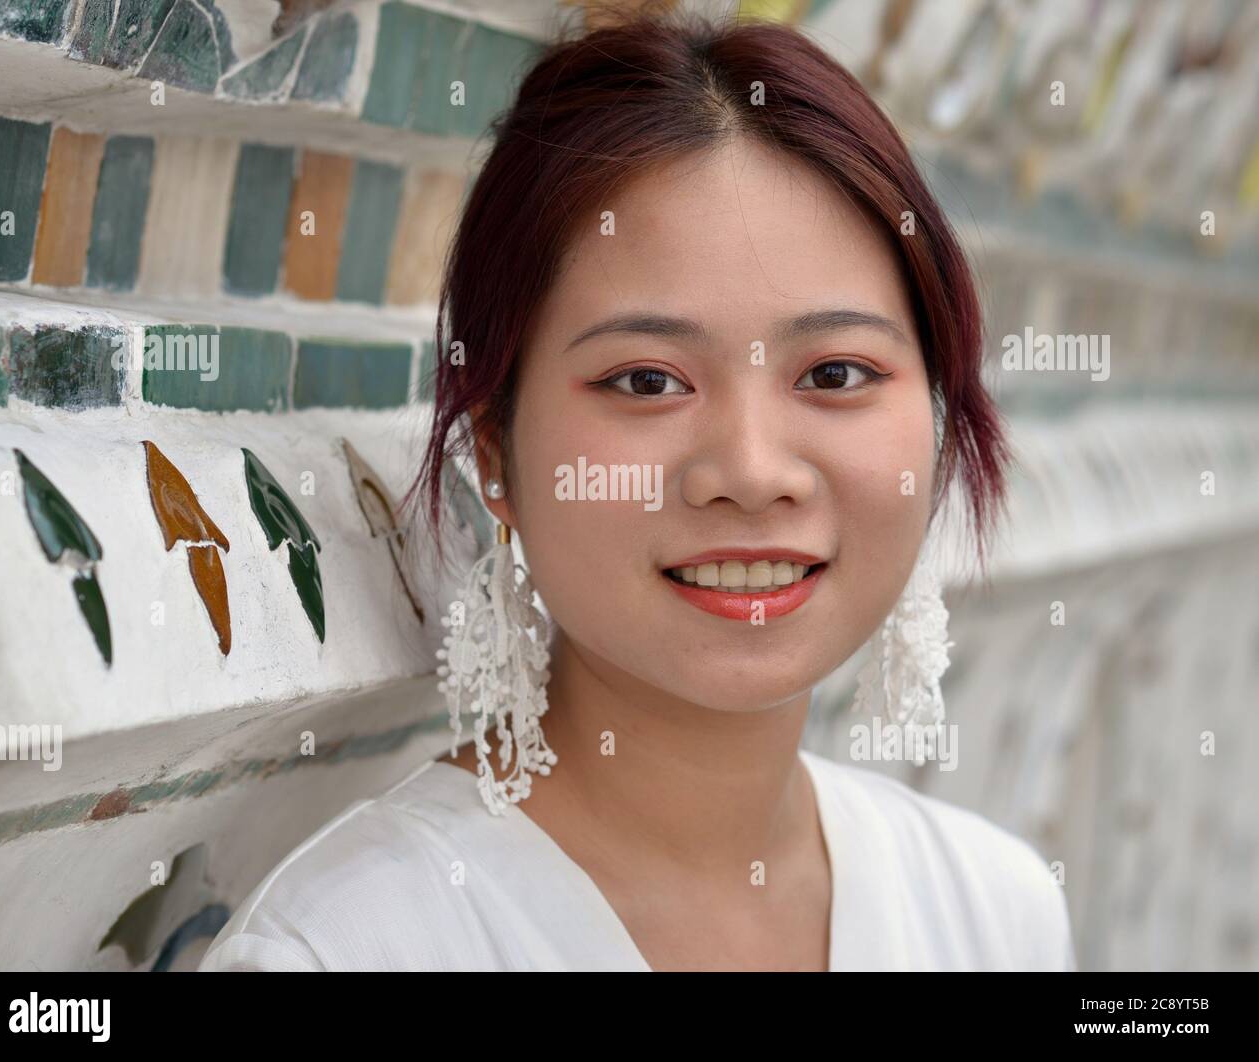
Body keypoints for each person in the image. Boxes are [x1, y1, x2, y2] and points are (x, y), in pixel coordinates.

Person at [200, 10, 1076, 973]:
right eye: (647, 381)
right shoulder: (348, 951)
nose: (749, 472)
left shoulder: (997, 913)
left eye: (833, 374)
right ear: (495, 450)